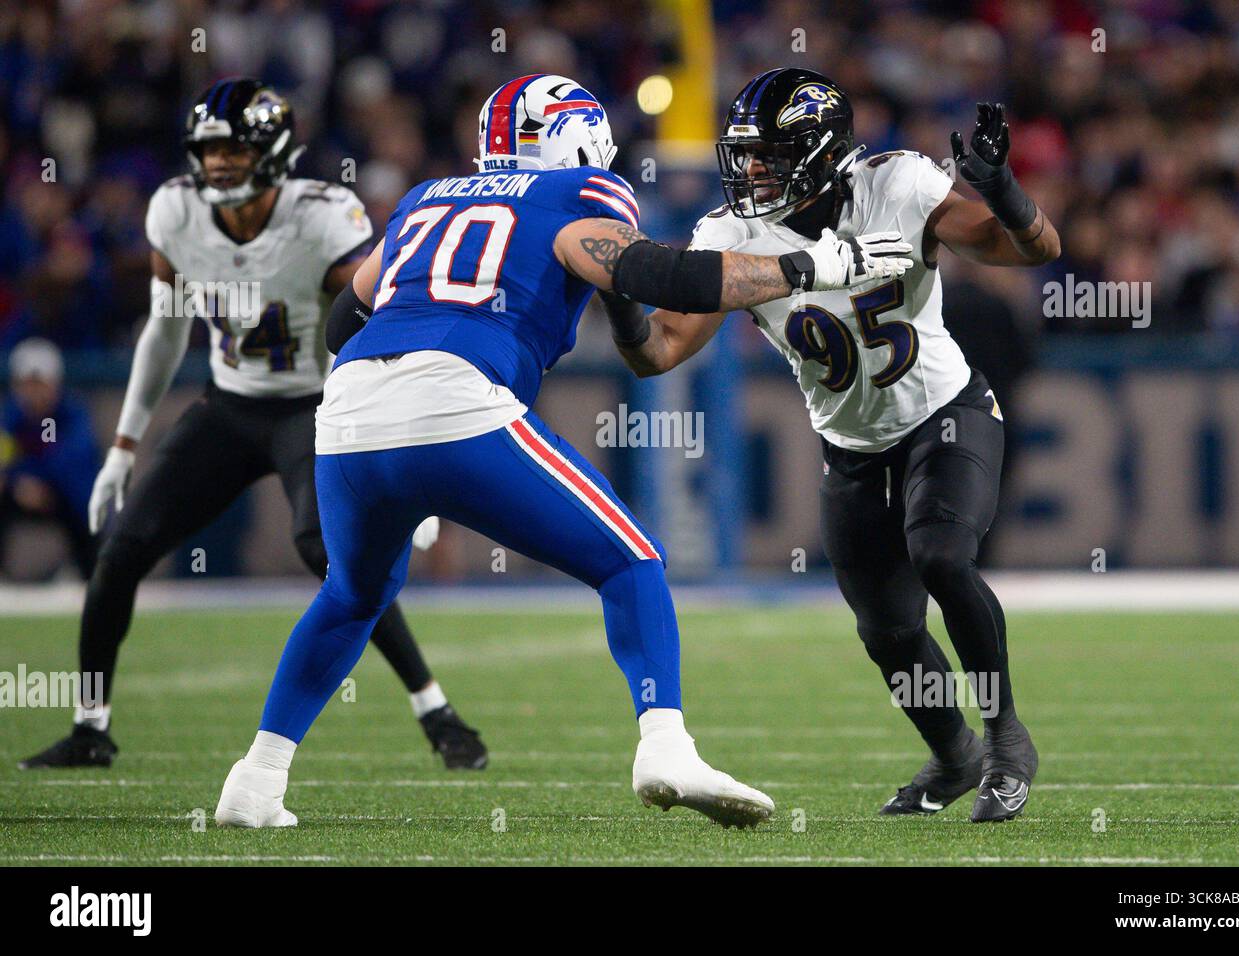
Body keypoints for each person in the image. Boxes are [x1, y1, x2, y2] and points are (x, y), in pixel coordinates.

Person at [213, 73, 903, 828]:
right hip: (454, 396)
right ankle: (665, 745)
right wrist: (816, 266)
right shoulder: (580, 195)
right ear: (579, 141)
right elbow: (664, 274)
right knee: (630, 560)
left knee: (352, 594)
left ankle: (255, 779)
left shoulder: (426, 198)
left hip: (346, 411)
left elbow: (348, 316)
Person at [604, 69, 1061, 822]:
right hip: (850, 446)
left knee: (941, 554)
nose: (748, 170)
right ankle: (954, 756)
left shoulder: (899, 184)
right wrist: (614, 290)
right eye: (745, 154)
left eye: (768, 154)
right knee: (886, 632)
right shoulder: (731, 235)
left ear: (818, 152)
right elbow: (658, 351)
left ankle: (1006, 734)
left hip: (946, 413)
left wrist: (1005, 191)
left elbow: (1029, 249)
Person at [20, 79, 487, 773]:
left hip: (317, 405)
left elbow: (378, 326)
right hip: (230, 402)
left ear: (271, 152)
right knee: (122, 549)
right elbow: (166, 327)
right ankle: (92, 727)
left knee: (328, 553)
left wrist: (400, 447)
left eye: (234, 149)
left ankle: (435, 708)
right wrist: (123, 443)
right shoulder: (176, 211)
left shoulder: (323, 218)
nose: (218, 165)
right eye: (208, 152)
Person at [0, 338, 99, 579]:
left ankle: (90, 575)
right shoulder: (12, 417)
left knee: (91, 507)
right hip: (21, 494)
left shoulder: (73, 415)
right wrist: (16, 483)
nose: (34, 393)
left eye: (40, 384)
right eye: (27, 385)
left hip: (66, 497)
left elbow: (72, 463)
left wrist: (38, 481)